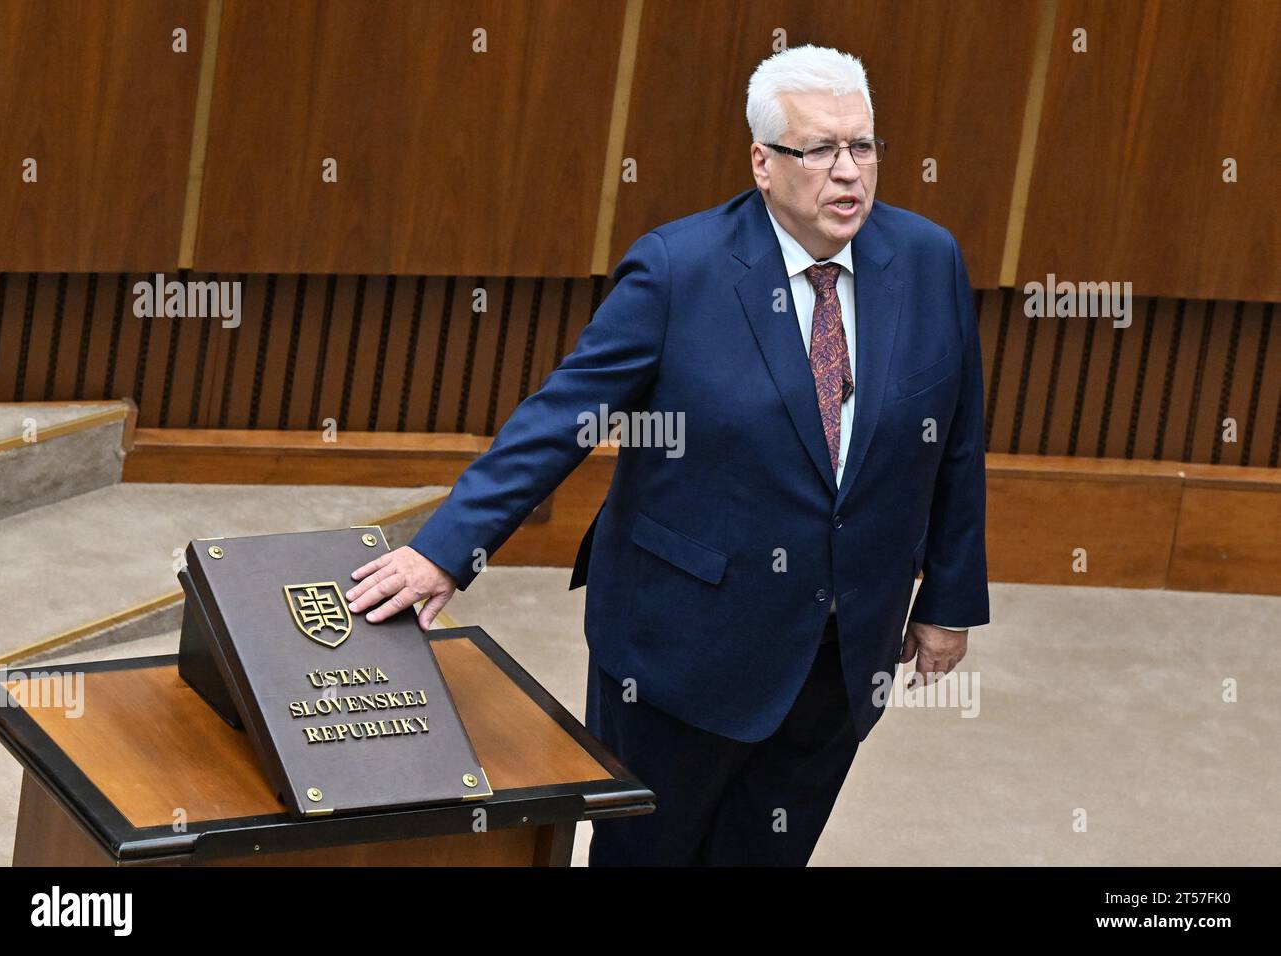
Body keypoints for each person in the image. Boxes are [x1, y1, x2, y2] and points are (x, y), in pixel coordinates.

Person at [346, 44, 989, 866]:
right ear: (763, 162)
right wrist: (445, 550)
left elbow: (956, 442)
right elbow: (563, 418)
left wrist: (948, 599)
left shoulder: (928, 259)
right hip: (682, 647)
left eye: (862, 146)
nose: (848, 174)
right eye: (819, 149)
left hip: (843, 645)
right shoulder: (678, 269)